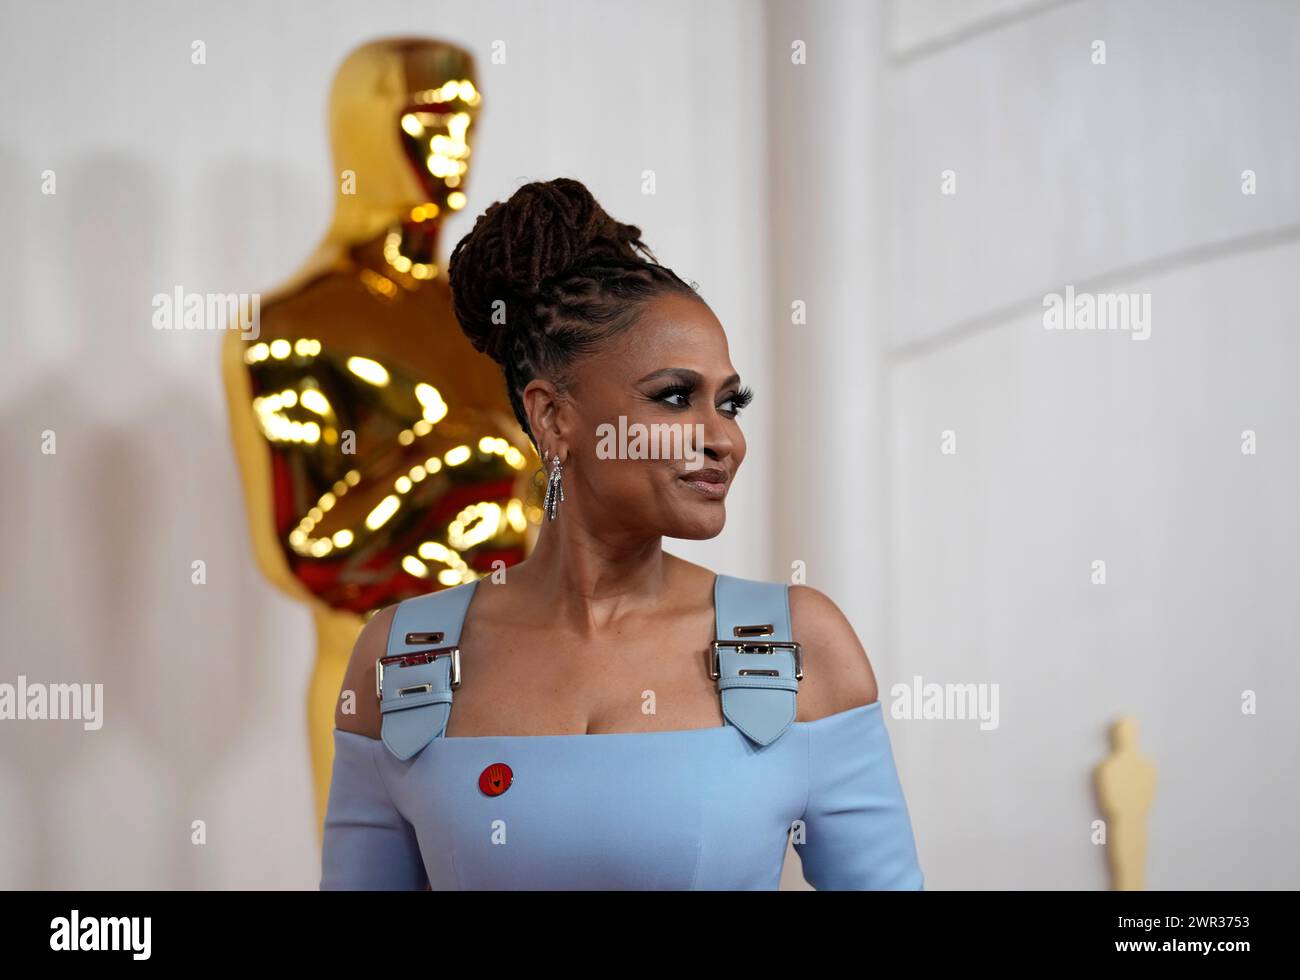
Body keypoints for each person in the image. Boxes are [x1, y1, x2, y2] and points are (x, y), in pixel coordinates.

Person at [319, 177, 924, 889]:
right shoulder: (402, 658)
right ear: (554, 418)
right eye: (674, 397)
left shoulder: (801, 645)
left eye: (730, 403)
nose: (723, 438)